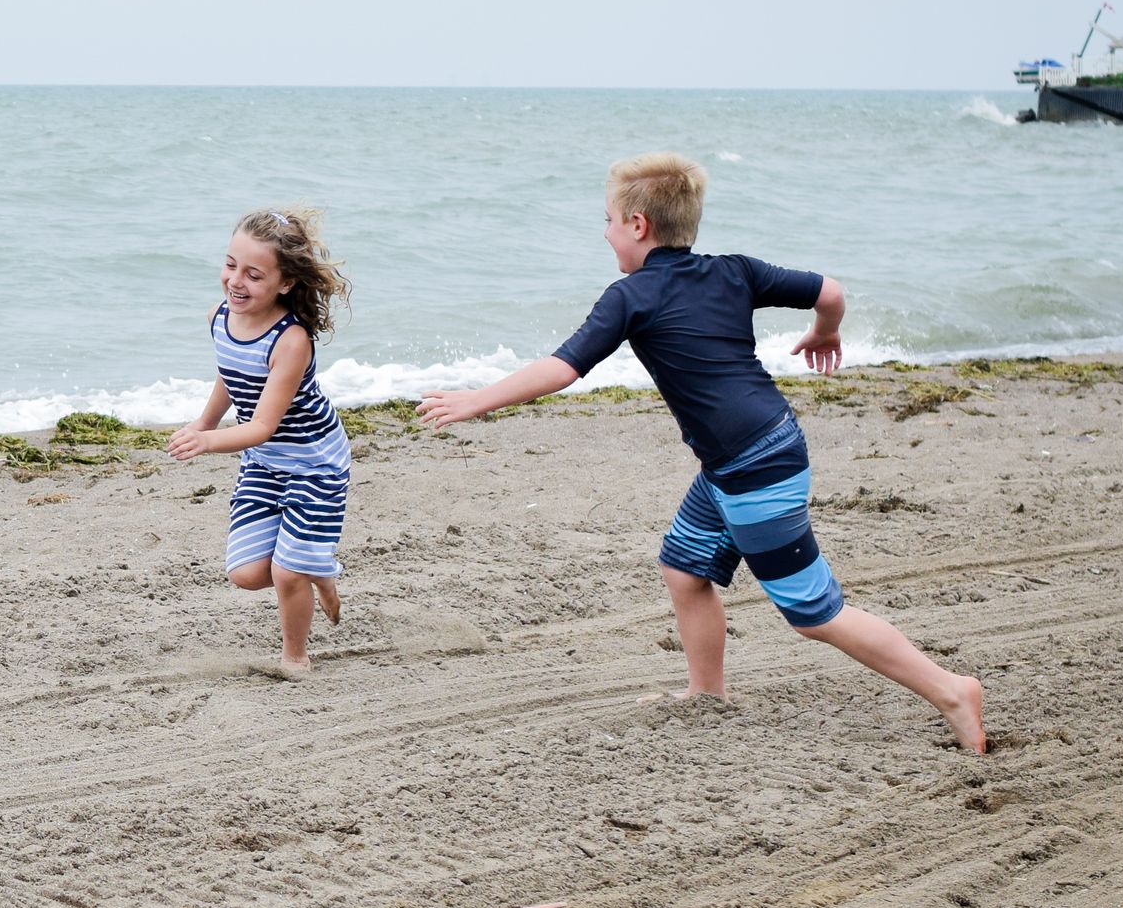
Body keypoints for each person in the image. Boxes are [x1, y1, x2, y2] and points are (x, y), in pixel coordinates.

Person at [417, 153, 985, 752]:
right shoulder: (734, 270)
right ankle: (707, 692)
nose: (604, 231)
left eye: (608, 219)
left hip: (754, 468)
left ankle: (951, 690)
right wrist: (827, 328)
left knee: (814, 613)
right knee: (685, 568)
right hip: (748, 453)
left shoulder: (630, 296)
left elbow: (563, 368)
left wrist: (477, 400)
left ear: (637, 225)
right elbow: (831, 291)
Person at [166, 206, 353, 678]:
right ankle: (319, 568)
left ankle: (295, 657)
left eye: (254, 274)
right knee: (247, 574)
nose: (236, 281)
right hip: (265, 463)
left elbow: (264, 425)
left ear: (285, 283)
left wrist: (209, 444)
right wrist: (203, 424)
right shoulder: (219, 318)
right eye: (231, 265)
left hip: (315, 462)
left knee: (288, 573)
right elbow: (230, 377)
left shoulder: (291, 341)